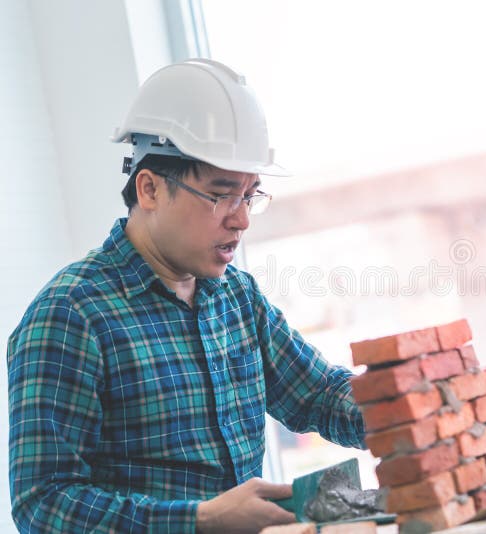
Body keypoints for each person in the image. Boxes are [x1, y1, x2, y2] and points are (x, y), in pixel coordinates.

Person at [7, 58, 365, 533]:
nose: (242, 219)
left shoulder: (236, 296)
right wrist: (201, 520)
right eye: (221, 195)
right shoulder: (71, 315)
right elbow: (43, 504)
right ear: (150, 189)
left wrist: (419, 400)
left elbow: (319, 395)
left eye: (249, 195)